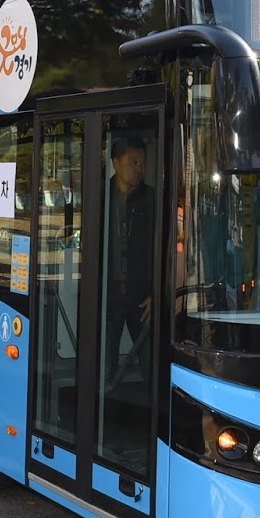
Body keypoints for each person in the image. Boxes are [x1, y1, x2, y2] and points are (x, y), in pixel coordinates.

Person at [104, 135, 155, 380]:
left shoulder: (152, 200)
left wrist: (156, 293)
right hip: (108, 296)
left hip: (141, 298)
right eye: (133, 162)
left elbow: (163, 250)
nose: (139, 168)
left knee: (151, 364)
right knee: (104, 366)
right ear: (115, 163)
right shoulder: (100, 198)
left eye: (142, 163)